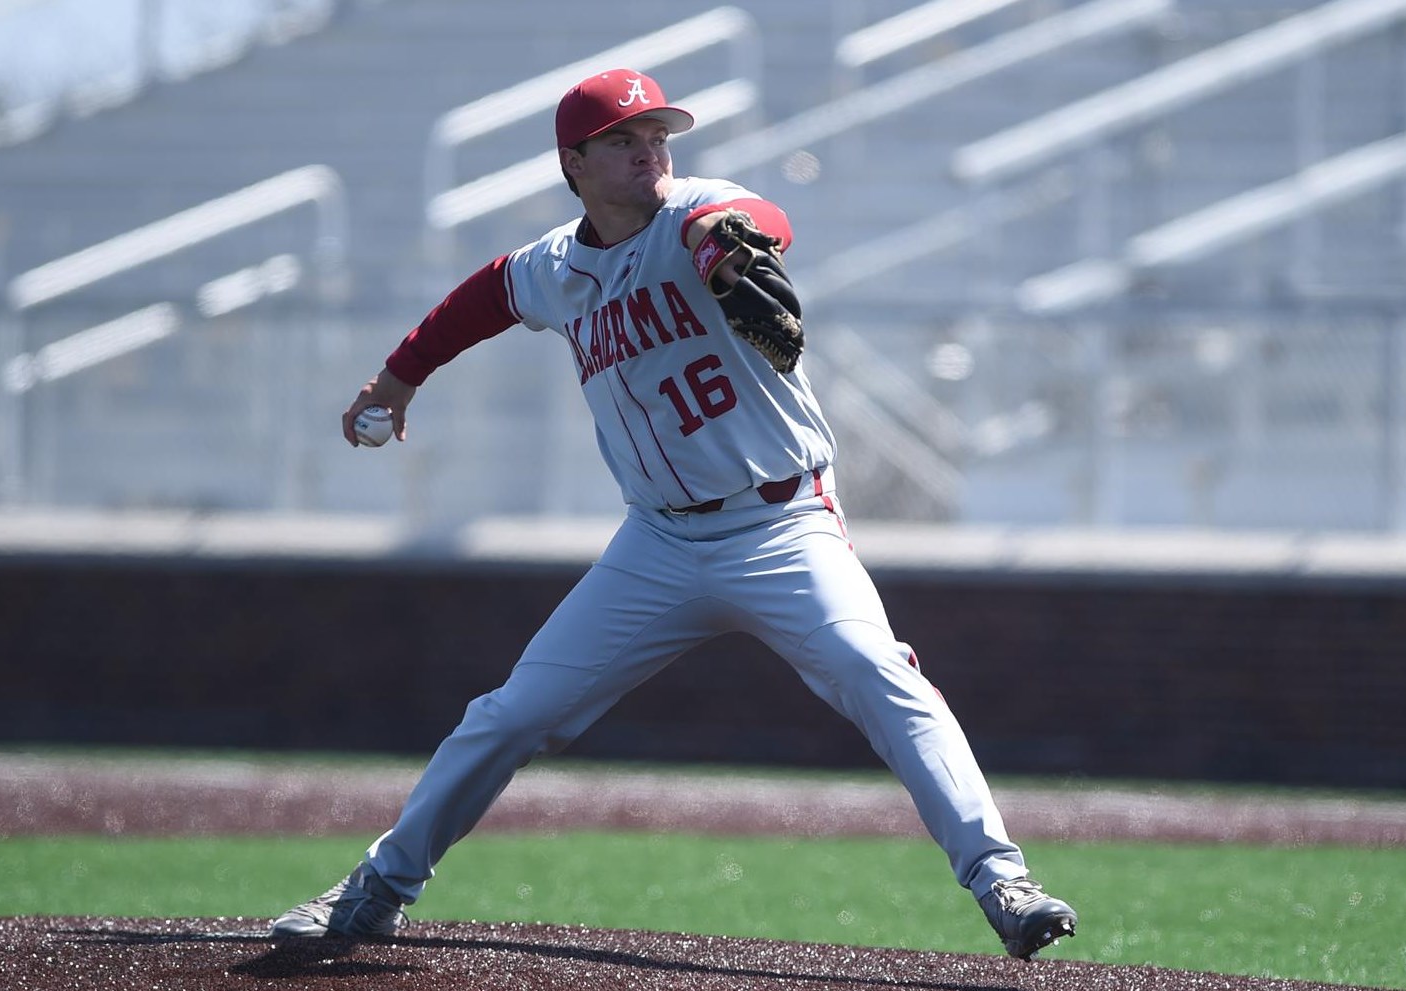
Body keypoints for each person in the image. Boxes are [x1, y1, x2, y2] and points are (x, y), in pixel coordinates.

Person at [268, 68, 1078, 960]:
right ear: (573, 162)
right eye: (623, 140)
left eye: (657, 135)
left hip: (781, 525)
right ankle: (378, 886)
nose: (649, 151)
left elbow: (756, 218)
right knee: (505, 715)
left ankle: (1001, 880)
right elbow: (482, 297)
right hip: (655, 543)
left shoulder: (697, 212)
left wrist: (734, 243)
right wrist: (395, 380)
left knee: (881, 676)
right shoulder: (555, 269)